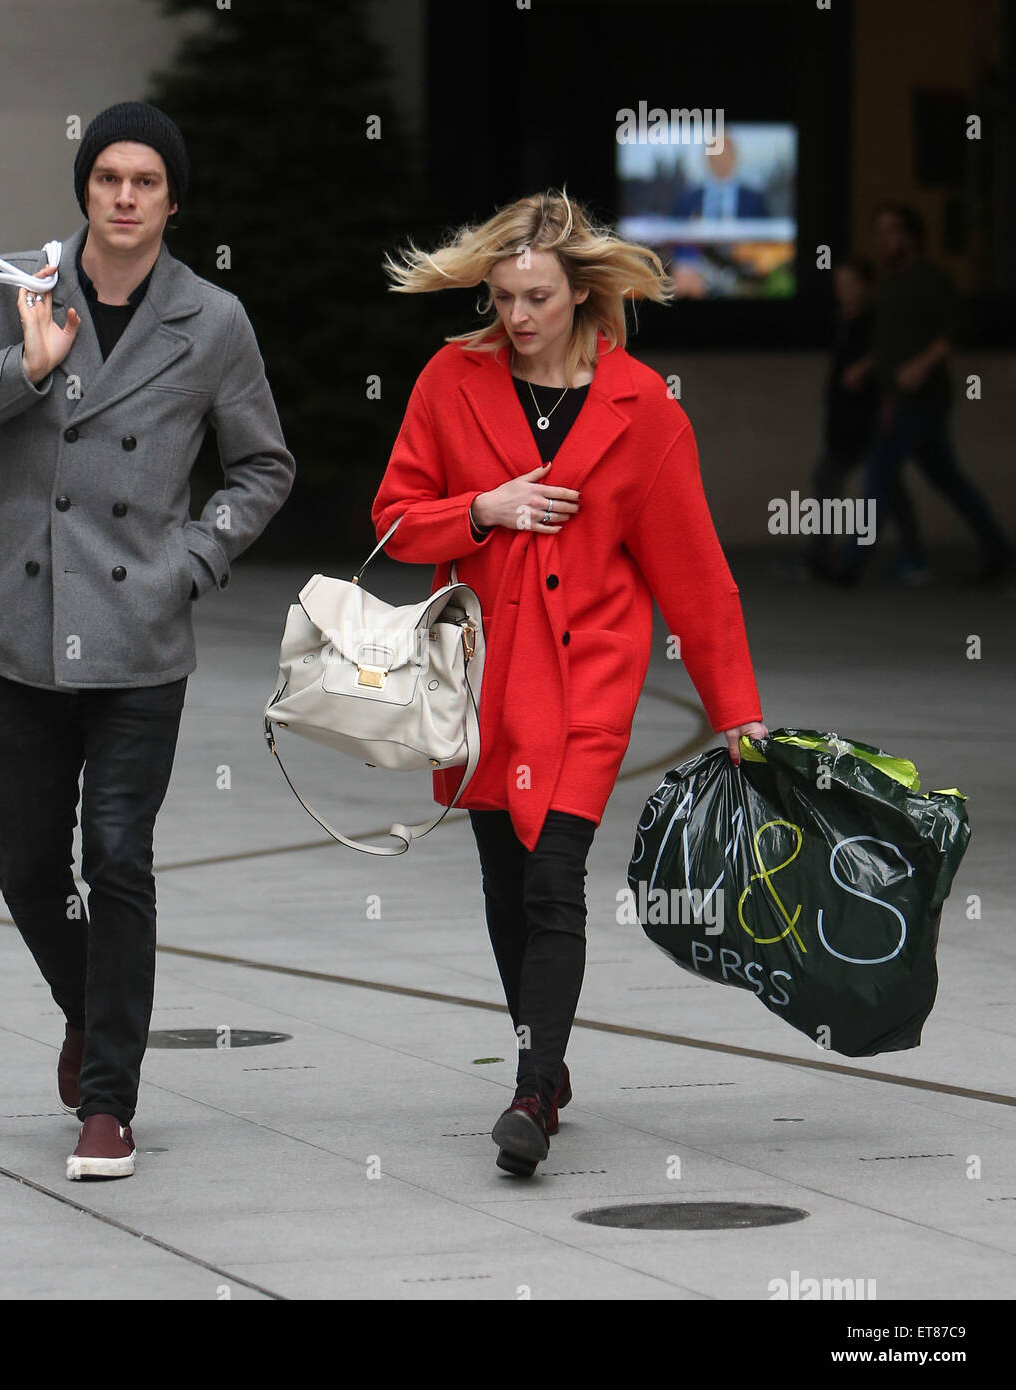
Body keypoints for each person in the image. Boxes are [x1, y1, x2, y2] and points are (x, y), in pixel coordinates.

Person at [0, 102, 295, 1181]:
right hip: (24, 634)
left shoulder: (212, 320)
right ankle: (93, 1008)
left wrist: (192, 562)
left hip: (139, 638)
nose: (124, 197)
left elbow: (265, 467)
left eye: (146, 182)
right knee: (28, 866)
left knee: (117, 859)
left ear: (174, 200)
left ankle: (109, 1102)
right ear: (85, 187)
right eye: (108, 177)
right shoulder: (13, 292)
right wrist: (21, 371)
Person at [372, 189, 768, 1177]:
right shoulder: (449, 380)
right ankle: (540, 1055)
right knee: (505, 881)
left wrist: (738, 715)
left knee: (555, 876)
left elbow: (697, 578)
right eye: (503, 295)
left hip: (589, 682)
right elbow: (394, 518)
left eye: (538, 295)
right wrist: (487, 507)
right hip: (481, 681)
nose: (517, 316)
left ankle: (533, 1087)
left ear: (583, 293)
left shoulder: (644, 410)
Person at [838, 202, 1011, 584]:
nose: (884, 240)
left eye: (892, 231)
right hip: (894, 397)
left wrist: (921, 365)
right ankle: (997, 547)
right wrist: (866, 367)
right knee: (947, 479)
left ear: (911, 236)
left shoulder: (931, 278)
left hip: (921, 400)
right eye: (879, 232)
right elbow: (889, 340)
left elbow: (955, 328)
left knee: (878, 478)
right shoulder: (889, 283)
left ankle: (851, 564)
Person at [805, 256, 887, 582]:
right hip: (843, 417)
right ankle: (822, 556)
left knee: (830, 480)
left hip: (865, 418)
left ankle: (823, 557)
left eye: (851, 284)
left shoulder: (873, 322)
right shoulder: (842, 320)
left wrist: (865, 368)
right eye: (840, 285)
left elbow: (888, 355)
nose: (844, 292)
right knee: (886, 488)